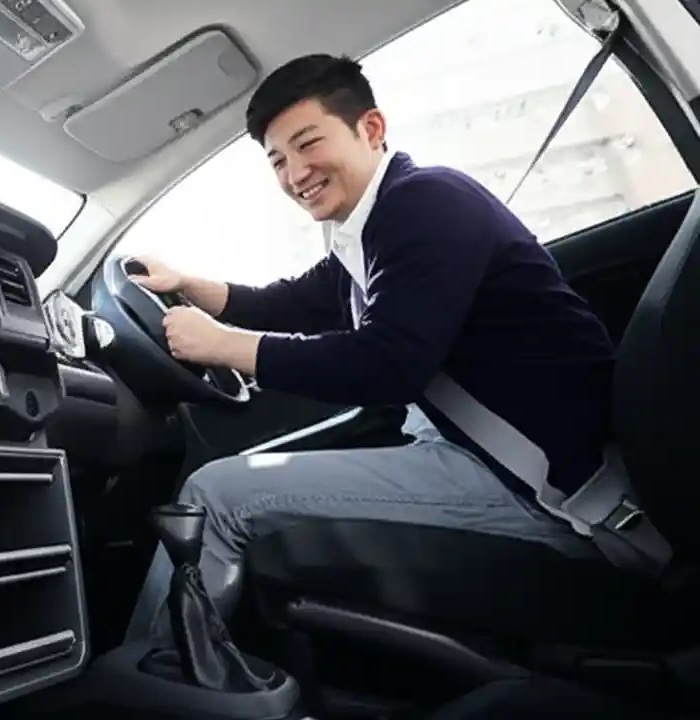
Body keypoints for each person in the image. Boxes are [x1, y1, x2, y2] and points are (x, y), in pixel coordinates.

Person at [124, 53, 616, 642]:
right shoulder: (373, 229)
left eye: (308, 144)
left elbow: (388, 366)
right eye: (278, 160)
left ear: (372, 129)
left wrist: (226, 346)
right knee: (230, 487)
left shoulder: (426, 203)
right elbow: (290, 302)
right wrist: (185, 285)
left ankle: (161, 680)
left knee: (214, 494)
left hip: (546, 489)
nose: (294, 173)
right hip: (485, 461)